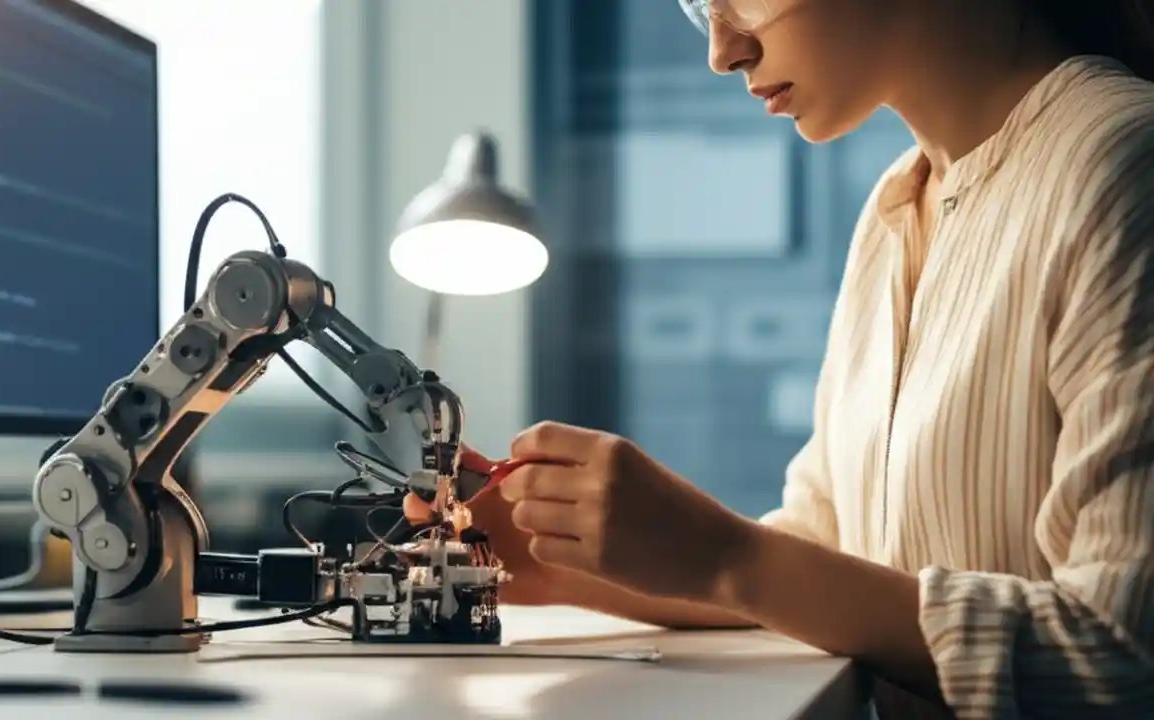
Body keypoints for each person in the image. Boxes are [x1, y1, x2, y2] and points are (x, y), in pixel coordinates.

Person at [411, 0, 1154, 717]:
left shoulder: (1121, 166)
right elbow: (830, 553)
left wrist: (727, 557)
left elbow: (1120, 658)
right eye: (701, 6)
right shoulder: (898, 207)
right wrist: (548, 558)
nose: (722, 51)